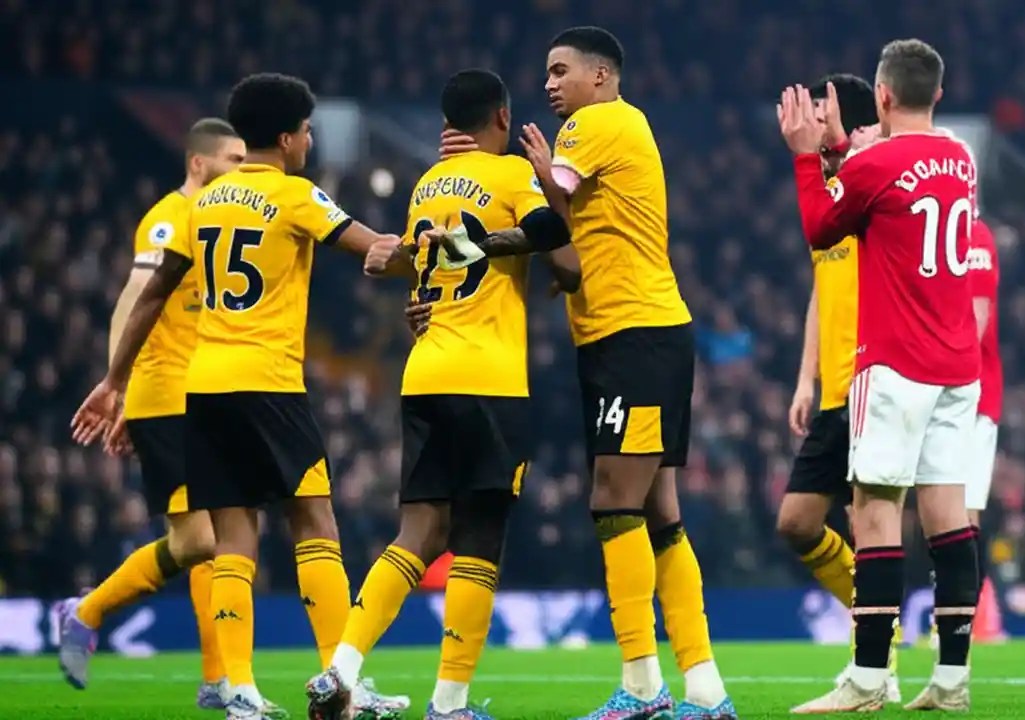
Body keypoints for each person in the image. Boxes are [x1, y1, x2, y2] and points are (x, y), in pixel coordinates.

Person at [70, 72, 412, 720]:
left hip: (205, 387)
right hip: (269, 383)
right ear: (286, 139)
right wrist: (425, 252)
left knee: (233, 538)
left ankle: (240, 693)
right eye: (306, 131)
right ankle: (340, 683)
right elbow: (372, 249)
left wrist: (114, 380)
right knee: (315, 523)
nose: (309, 141)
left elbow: (152, 293)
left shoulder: (203, 204)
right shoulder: (296, 195)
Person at [439, 26, 736, 720]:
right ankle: (705, 691)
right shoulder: (622, 126)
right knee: (660, 514)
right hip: (637, 332)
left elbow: (544, 219)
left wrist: (486, 179)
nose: (549, 84)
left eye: (560, 70)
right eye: (546, 73)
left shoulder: (592, 124)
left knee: (612, 501)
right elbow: (566, 245)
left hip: (634, 336)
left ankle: (642, 686)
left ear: (599, 76)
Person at [304, 68, 581, 720]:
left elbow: (424, 270)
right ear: (502, 118)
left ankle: (341, 668)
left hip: (425, 372)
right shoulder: (510, 174)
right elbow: (554, 240)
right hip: (489, 377)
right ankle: (449, 703)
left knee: (417, 533)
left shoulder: (427, 185)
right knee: (480, 538)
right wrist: (542, 188)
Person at [777, 38, 981, 711]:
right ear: (938, 95)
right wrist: (847, 148)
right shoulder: (961, 157)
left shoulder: (877, 163)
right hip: (958, 366)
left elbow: (821, 227)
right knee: (949, 519)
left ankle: (868, 678)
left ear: (884, 95)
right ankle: (951, 679)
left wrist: (806, 156)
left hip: (894, 364)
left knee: (874, 513)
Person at [55, 118, 258, 711]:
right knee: (203, 539)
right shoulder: (170, 218)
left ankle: (216, 677)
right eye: (233, 160)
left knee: (208, 539)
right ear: (198, 163)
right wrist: (118, 388)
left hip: (206, 393)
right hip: (167, 393)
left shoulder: (217, 221)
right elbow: (133, 300)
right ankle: (89, 611)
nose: (242, 170)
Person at [777, 74, 904, 713]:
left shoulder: (873, 180)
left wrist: (844, 146)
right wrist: (806, 377)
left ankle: (874, 663)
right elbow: (819, 291)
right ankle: (882, 638)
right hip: (832, 389)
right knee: (797, 523)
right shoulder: (826, 193)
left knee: (865, 518)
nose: (811, 118)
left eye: (821, 109)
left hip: (873, 379)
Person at [962, 214, 1008, 645]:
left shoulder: (974, 236)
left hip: (969, 396)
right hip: (923, 388)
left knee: (963, 508)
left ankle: (961, 617)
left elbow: (975, 323)